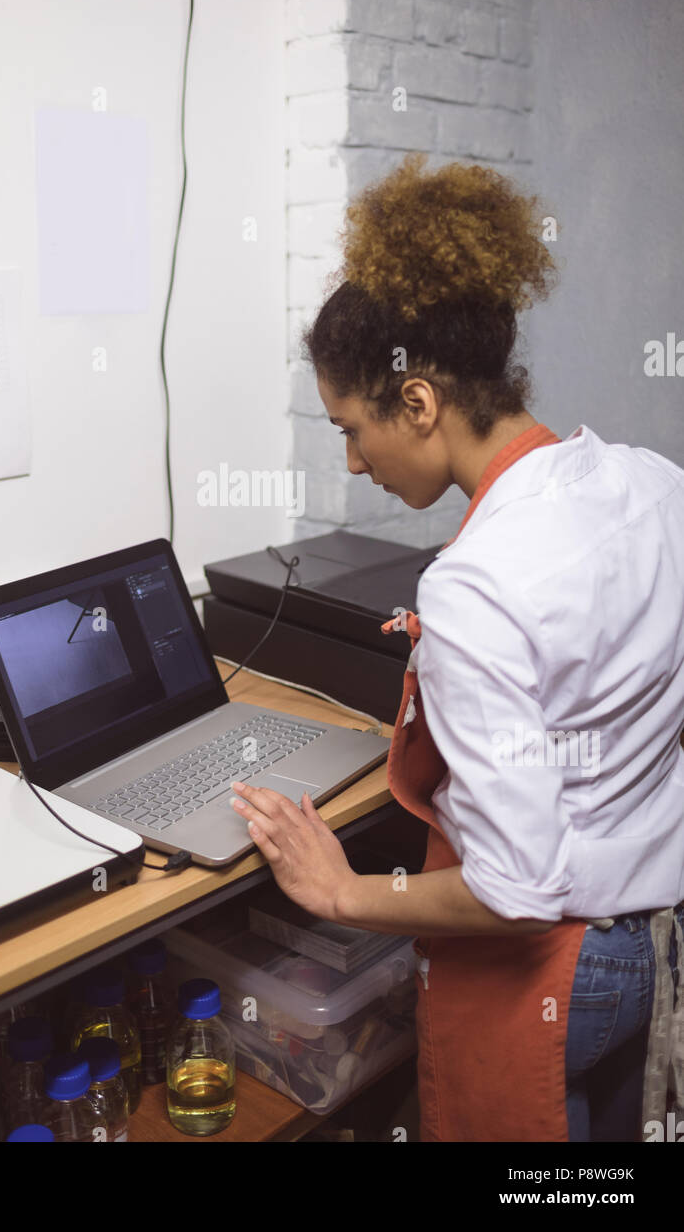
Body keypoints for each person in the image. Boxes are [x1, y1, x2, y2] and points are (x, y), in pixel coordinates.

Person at [229, 152, 684, 1143]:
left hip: (556, 970)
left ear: (420, 403)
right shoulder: (652, 483)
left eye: (351, 427)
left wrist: (342, 887)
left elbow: (516, 890)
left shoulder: (474, 586)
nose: (352, 459)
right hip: (649, 947)